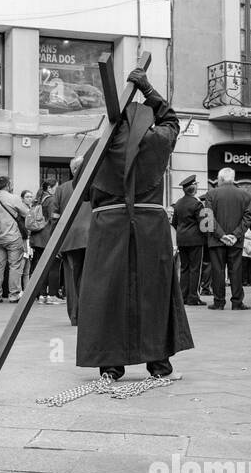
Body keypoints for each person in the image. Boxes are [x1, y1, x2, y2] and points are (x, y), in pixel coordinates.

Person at [76, 66, 193, 380]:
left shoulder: (96, 152)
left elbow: (82, 192)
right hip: (150, 227)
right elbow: (172, 120)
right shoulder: (156, 141)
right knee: (153, 291)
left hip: (107, 229)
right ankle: (158, 363)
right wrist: (148, 89)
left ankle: (110, 364)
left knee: (107, 292)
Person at [203, 167, 251, 311]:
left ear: (220, 179)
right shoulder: (244, 195)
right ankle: (237, 302)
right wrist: (235, 235)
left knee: (218, 271)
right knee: (236, 270)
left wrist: (221, 235)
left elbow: (207, 217)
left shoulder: (211, 194)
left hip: (216, 240)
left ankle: (219, 302)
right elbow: (248, 217)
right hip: (235, 241)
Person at [53, 156, 92, 324]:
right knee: (90, 278)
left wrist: (57, 244)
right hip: (92, 237)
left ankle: (75, 316)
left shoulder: (61, 189)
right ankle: (89, 315)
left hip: (69, 239)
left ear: (72, 170)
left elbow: (54, 218)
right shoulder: (94, 186)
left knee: (71, 279)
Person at [0, 176, 29, 303]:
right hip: (13, 237)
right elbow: (26, 212)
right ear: (8, 185)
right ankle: (13, 295)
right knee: (14, 266)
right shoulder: (14, 198)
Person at [171, 174, 206, 306]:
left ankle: (183, 296)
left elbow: (174, 223)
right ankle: (193, 297)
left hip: (182, 240)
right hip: (195, 240)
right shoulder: (197, 204)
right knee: (195, 268)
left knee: (184, 268)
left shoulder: (178, 203)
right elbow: (204, 224)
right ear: (194, 188)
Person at [29, 177, 60, 305]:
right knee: (53, 266)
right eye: (56, 187)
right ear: (49, 188)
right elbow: (54, 219)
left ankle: (41, 294)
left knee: (40, 267)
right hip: (48, 237)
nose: (57, 190)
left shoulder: (38, 200)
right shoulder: (52, 200)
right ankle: (52, 295)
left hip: (38, 238)